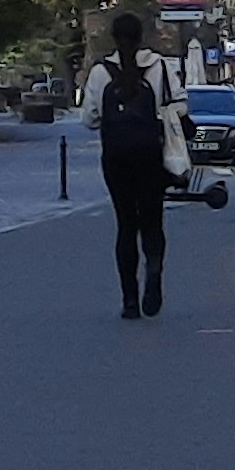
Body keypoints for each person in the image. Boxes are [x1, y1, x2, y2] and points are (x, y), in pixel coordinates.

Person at [93, 43, 178, 319]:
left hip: (116, 159)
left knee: (126, 224)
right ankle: (154, 271)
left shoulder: (99, 72)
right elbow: (180, 105)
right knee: (153, 220)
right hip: (150, 156)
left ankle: (130, 300)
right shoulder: (160, 66)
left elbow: (89, 119)